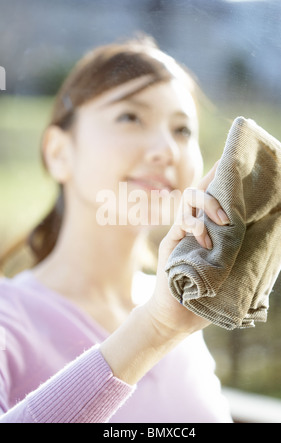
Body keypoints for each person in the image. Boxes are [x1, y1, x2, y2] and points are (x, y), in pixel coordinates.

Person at [0, 35, 233, 423]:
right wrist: (152, 332)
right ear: (59, 152)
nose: (166, 150)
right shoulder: (8, 318)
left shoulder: (179, 305)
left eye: (182, 130)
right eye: (130, 117)